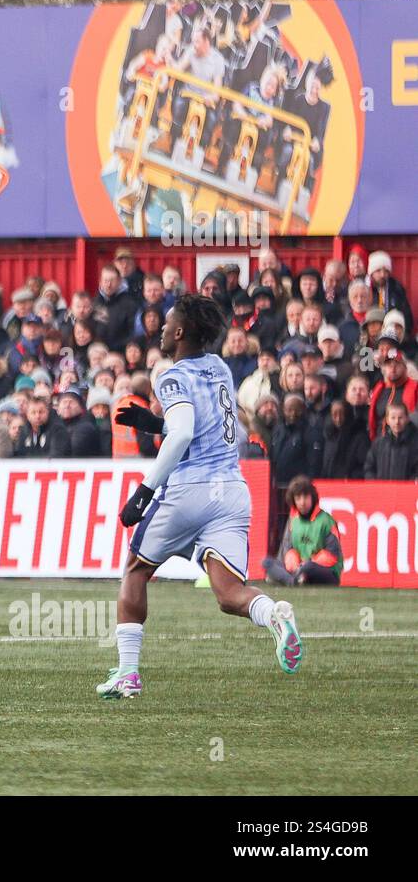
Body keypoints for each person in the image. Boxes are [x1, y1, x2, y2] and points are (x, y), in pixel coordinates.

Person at [107, 294, 303, 701]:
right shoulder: (220, 368)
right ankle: (275, 615)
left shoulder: (170, 375)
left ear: (179, 332)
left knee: (136, 571)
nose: (160, 329)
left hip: (189, 490)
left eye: (167, 323)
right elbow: (199, 425)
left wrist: (144, 492)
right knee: (230, 594)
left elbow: (182, 434)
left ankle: (127, 674)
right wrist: (155, 423)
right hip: (232, 490)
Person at [263, 477, 343, 587]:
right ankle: (294, 580)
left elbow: (332, 555)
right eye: (298, 497)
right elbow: (288, 550)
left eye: (306, 497)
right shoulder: (293, 521)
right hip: (299, 568)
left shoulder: (326, 521)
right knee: (267, 562)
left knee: (309, 567)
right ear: (293, 500)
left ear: (312, 497)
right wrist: (294, 565)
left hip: (325, 571)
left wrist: (307, 564)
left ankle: (288, 579)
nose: (302, 502)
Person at [364, 401, 418, 481]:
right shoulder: (379, 443)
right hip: (381, 490)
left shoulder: (415, 444)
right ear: (387, 420)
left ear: (407, 419)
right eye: (393, 418)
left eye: (400, 418)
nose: (397, 422)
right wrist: (374, 483)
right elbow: (369, 468)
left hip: (405, 491)